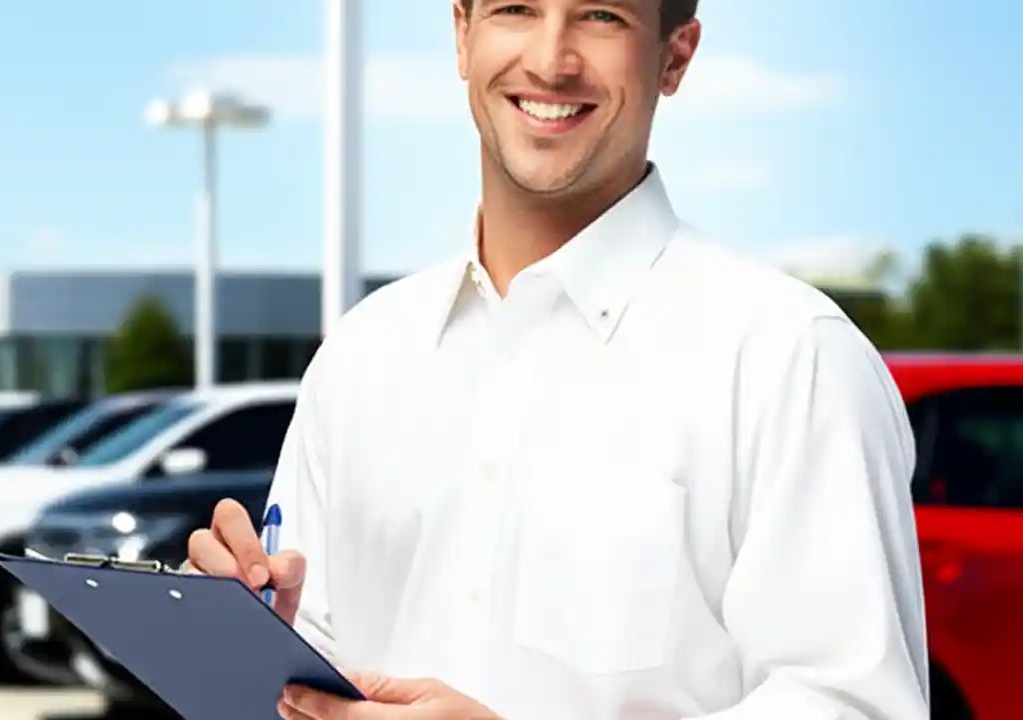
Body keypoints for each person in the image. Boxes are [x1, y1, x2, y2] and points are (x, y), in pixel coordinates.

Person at [186, 1, 930, 717]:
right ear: (462, 34)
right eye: (516, 8)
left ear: (675, 56)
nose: (550, 59)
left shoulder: (791, 358)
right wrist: (240, 645)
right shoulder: (361, 355)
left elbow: (855, 708)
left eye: (602, 15)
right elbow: (308, 685)